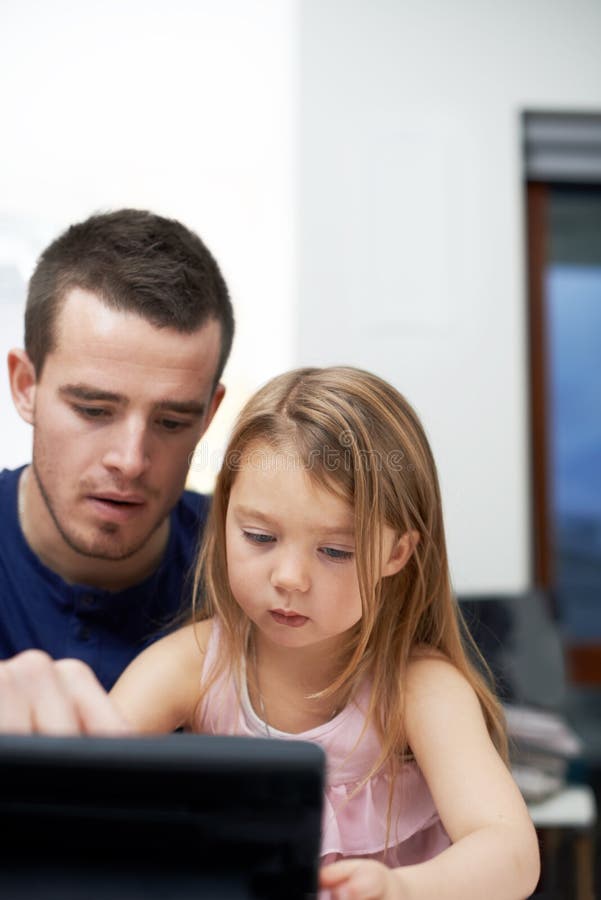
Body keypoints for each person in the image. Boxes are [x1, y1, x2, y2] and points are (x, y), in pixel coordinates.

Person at [0, 366, 540, 899]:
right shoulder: (191, 666)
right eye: (259, 536)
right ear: (224, 520)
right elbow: (80, 800)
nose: (289, 578)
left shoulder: (419, 686)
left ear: (397, 553)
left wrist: (400, 889)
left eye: (334, 551)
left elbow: (510, 852)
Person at [0, 208, 234, 689]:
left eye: (171, 421)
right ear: (26, 386)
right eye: (93, 410)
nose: (130, 461)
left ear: (209, 415)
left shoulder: (258, 574)